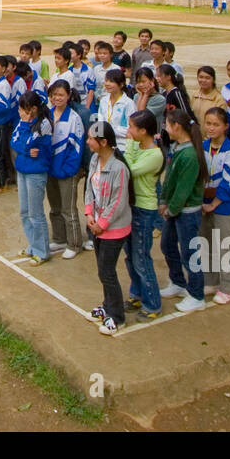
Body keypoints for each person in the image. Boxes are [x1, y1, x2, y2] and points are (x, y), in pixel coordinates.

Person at [84, 121, 133, 336]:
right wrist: (88, 214)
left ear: (103, 142)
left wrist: (101, 224)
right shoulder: (95, 160)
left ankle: (117, 316)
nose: (87, 142)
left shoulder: (119, 168)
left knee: (107, 271)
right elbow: (89, 189)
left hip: (113, 229)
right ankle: (107, 306)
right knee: (102, 270)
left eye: (91, 139)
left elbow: (118, 202)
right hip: (95, 225)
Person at [158, 108, 208, 312]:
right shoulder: (179, 147)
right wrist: (163, 201)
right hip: (173, 209)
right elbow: (169, 179)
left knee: (190, 252)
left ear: (177, 126)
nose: (165, 129)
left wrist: (171, 209)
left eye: (168, 125)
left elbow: (183, 189)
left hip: (185, 212)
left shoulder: (189, 154)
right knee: (167, 245)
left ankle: (197, 294)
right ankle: (177, 281)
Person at [123, 111, 165, 321]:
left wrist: (129, 145)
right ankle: (136, 294)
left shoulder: (155, 154)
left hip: (144, 209)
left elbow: (128, 170)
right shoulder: (138, 147)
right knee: (131, 256)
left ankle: (153, 303)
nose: (128, 131)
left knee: (141, 257)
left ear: (143, 131)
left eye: (131, 127)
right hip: (131, 206)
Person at [200, 107, 230, 304]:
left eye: (216, 124)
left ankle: (229, 286)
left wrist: (214, 203)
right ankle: (210, 280)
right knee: (206, 243)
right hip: (205, 203)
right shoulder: (203, 146)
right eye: (208, 123)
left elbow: (229, 182)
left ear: (226, 126)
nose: (211, 128)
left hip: (224, 205)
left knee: (227, 245)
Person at [46, 80, 86, 258]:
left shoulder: (74, 118)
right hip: (49, 169)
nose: (57, 98)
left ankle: (75, 243)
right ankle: (60, 238)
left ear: (68, 96)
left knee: (68, 209)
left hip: (66, 171)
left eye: (61, 94)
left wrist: (70, 170)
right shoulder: (48, 114)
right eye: (54, 95)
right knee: (55, 207)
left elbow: (77, 148)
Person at [12, 91, 53, 264]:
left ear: (33, 109)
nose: (20, 112)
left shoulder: (43, 124)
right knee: (24, 211)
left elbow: (30, 142)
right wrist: (26, 151)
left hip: (36, 173)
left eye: (23, 109)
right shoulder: (22, 122)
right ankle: (32, 244)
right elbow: (15, 141)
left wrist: (25, 147)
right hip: (22, 170)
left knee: (36, 213)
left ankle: (42, 250)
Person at [0, 55, 18, 191]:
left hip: (1, 123)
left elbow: (4, 107)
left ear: (4, 69)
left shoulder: (4, 85)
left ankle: (1, 182)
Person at [97, 68, 133, 143]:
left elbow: (131, 129)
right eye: (106, 80)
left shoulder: (128, 103)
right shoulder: (103, 101)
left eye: (111, 81)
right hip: (105, 144)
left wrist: (109, 130)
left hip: (122, 145)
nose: (107, 84)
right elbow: (100, 124)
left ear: (121, 84)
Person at [132, 67, 168, 134]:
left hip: (152, 136)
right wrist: (141, 95)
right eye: (138, 82)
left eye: (143, 81)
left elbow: (141, 117)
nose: (141, 85)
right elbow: (135, 116)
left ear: (152, 81)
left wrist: (145, 95)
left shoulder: (160, 99)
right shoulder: (136, 96)